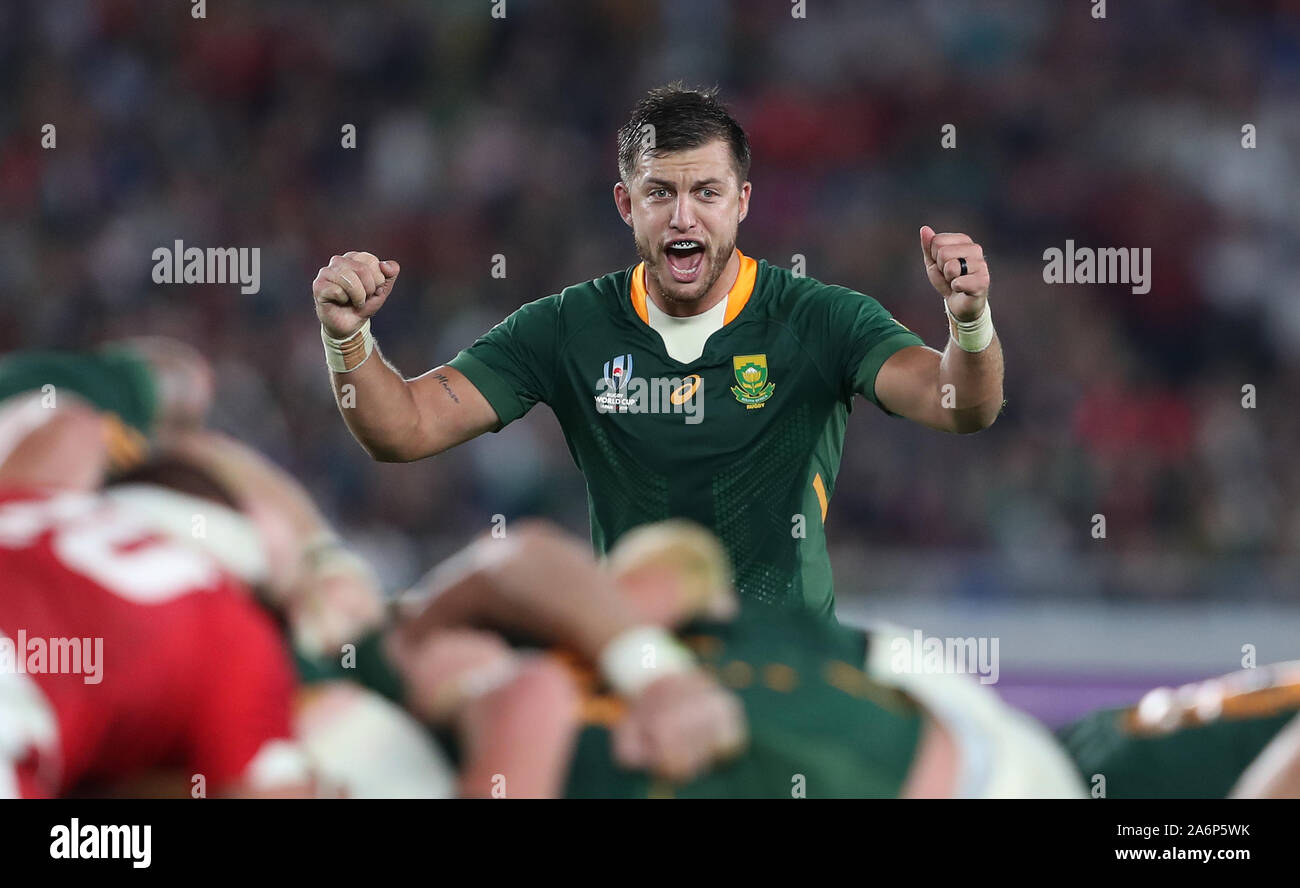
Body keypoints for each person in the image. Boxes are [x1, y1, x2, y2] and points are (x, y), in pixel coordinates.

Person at [311, 84, 1005, 617]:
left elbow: (962, 407)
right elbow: (404, 429)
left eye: (707, 192)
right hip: (640, 676)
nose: (683, 216)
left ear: (742, 202)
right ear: (624, 203)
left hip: (786, 674)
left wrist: (968, 323)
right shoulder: (566, 327)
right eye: (659, 193)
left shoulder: (820, 320)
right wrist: (349, 337)